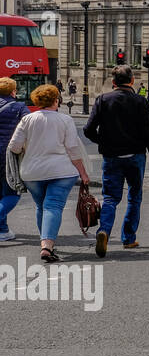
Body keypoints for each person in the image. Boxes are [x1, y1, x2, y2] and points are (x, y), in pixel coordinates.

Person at [83, 66, 149, 258]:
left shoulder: (103, 100)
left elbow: (88, 130)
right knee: (134, 196)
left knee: (110, 197)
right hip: (135, 156)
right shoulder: (140, 101)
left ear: (113, 82)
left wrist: (104, 142)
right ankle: (128, 238)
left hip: (111, 157)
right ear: (132, 81)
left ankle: (104, 231)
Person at [7, 84, 90, 263]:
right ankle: (47, 245)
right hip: (61, 171)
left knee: (41, 206)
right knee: (53, 206)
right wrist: (83, 173)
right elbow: (73, 150)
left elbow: (14, 147)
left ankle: (45, 243)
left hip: (32, 172)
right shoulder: (65, 120)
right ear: (56, 100)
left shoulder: (27, 119)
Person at [0, 78, 28, 242]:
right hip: (7, 156)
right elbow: (30, 127)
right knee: (12, 192)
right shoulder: (19, 107)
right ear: (13, 91)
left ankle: (2, 230)